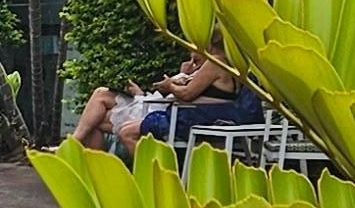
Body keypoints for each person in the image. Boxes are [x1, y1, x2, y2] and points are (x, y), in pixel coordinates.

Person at [69, 46, 262, 150]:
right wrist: (182, 74)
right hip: (173, 109)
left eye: (197, 55)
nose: (193, 58)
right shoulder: (209, 68)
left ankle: (150, 181)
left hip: (191, 116)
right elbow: (183, 92)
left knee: (112, 119)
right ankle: (97, 168)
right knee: (97, 117)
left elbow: (186, 95)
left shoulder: (217, 64)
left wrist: (171, 84)